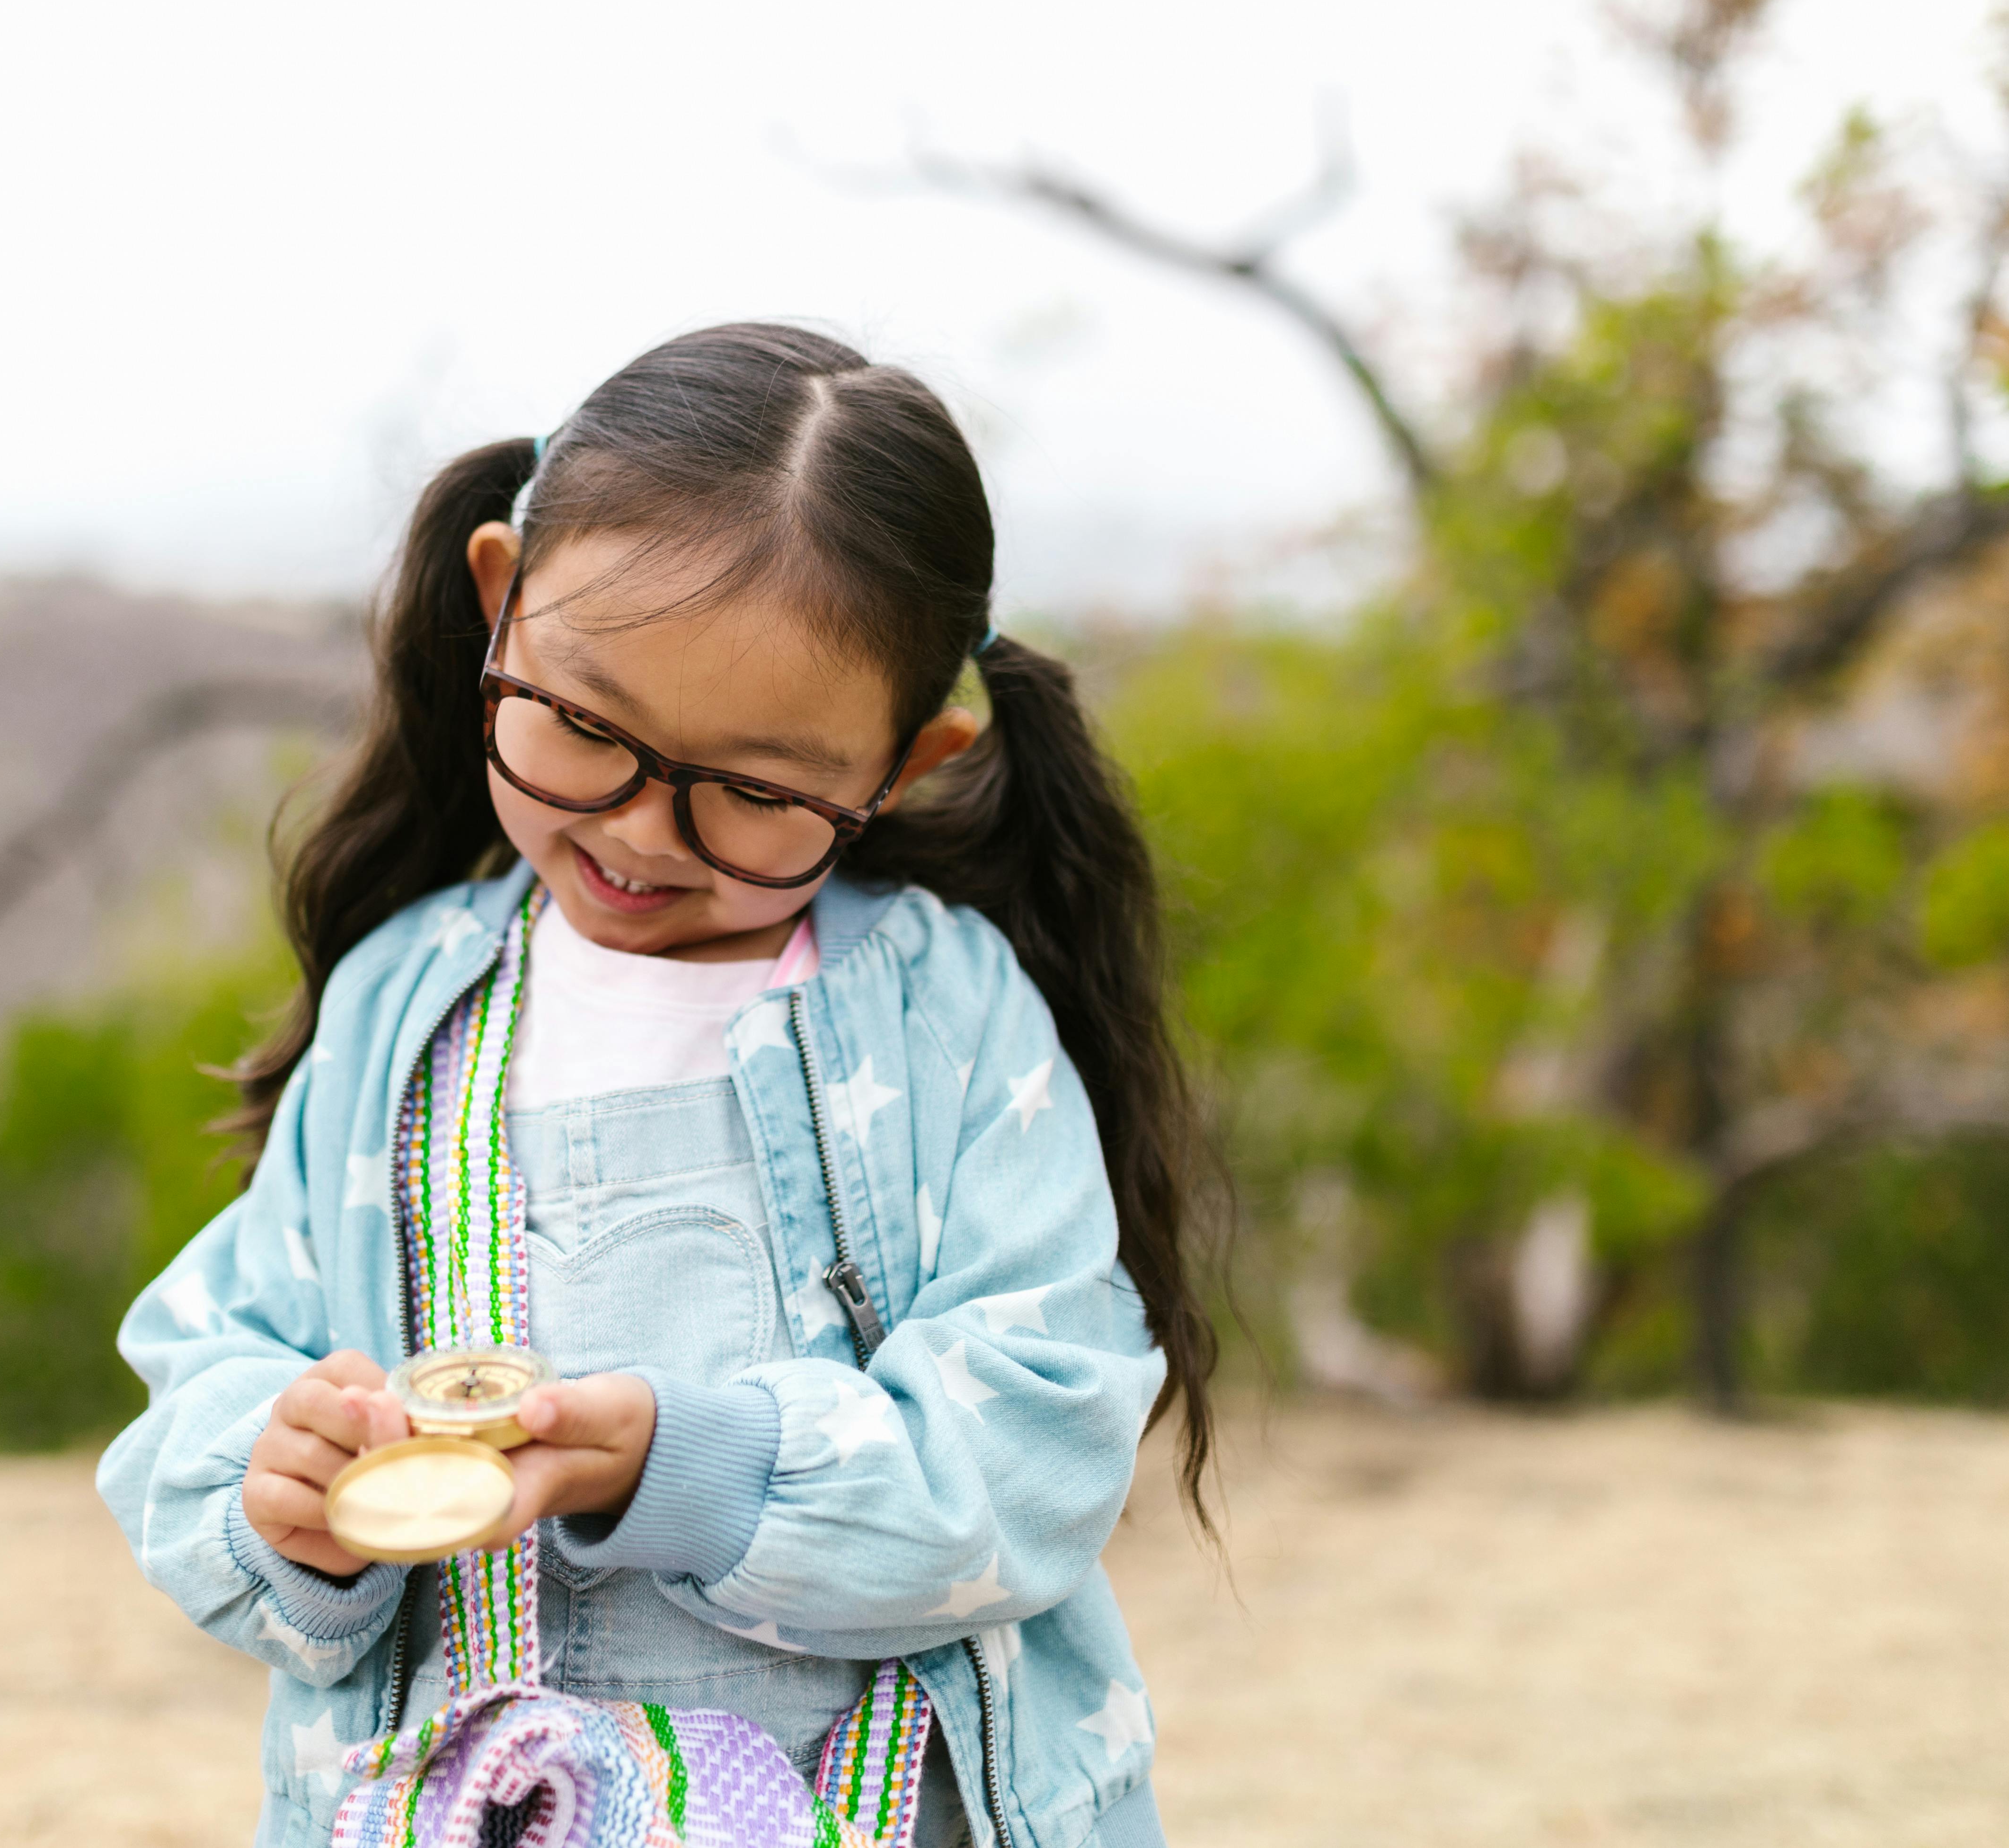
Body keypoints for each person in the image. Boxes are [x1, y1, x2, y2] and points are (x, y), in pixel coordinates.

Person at [98, 323, 1221, 1848]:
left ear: (904, 759)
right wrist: (282, 1498)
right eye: (586, 728)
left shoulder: (943, 1016)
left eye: (756, 792)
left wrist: (684, 1465)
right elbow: (215, 1384)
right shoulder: (400, 1010)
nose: (641, 834)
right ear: (502, 603)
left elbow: (1036, 1445)